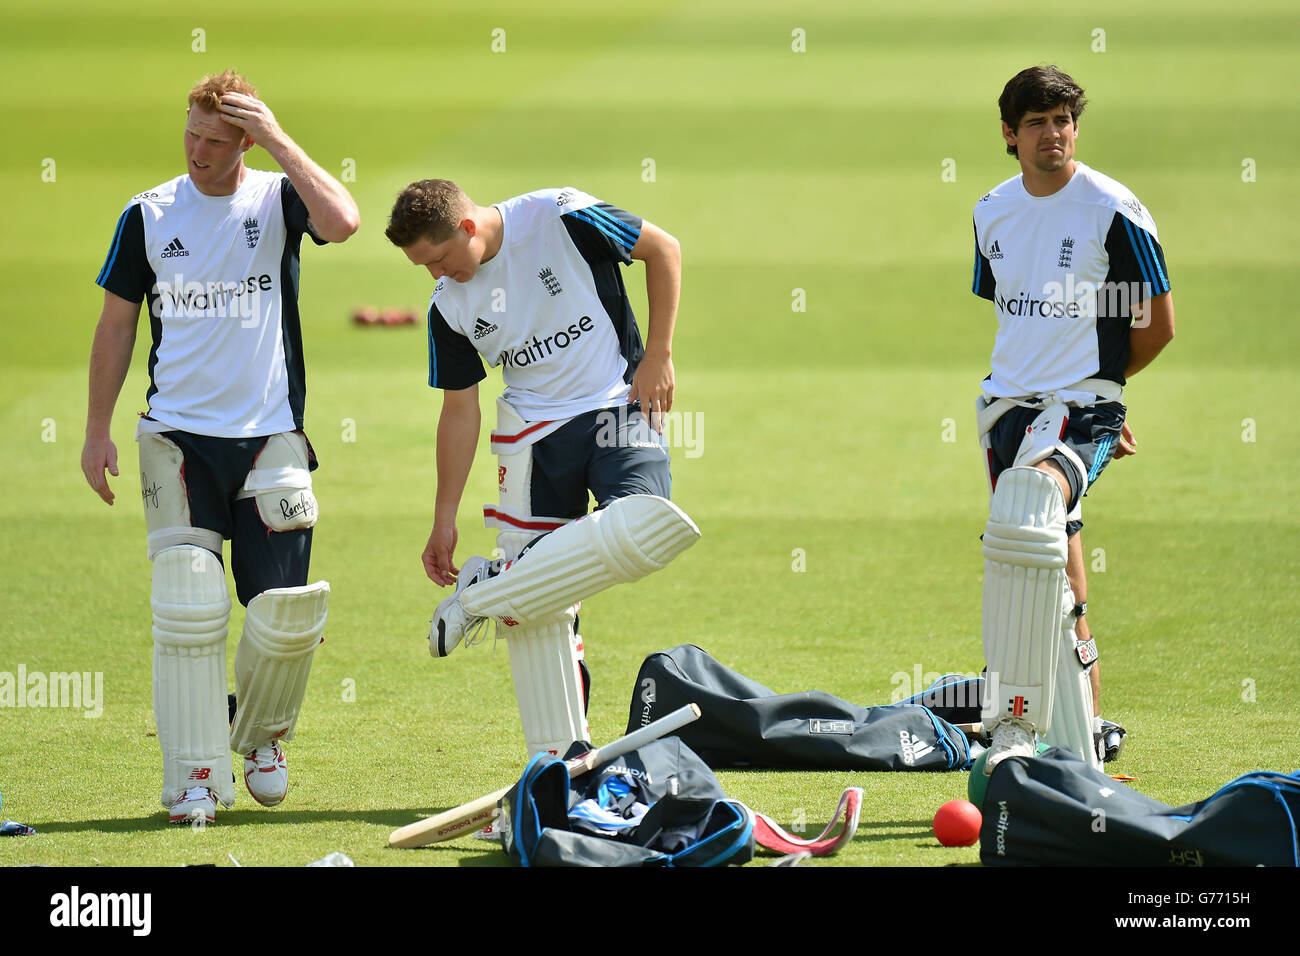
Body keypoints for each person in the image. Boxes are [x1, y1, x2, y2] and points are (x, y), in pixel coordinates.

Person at [81, 70, 359, 823]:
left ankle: (263, 736)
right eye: (191, 134)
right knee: (189, 605)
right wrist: (96, 429)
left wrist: (277, 135)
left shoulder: (275, 197)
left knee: (284, 613)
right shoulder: (148, 213)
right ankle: (194, 777)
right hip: (175, 437)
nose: (198, 151)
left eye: (215, 140)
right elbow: (116, 324)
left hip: (270, 435)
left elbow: (344, 223)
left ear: (244, 143)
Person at [385, 180, 697, 758]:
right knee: (539, 615)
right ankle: (560, 761)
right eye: (422, 267)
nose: (436, 276)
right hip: (531, 433)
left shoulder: (560, 216)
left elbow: (664, 249)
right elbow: (459, 412)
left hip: (616, 406)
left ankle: (487, 591)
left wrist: (659, 355)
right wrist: (443, 518)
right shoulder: (447, 306)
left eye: (440, 258)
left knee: (644, 525)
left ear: (468, 227)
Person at [970, 65, 1174, 771]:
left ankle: (1015, 729)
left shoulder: (1112, 207)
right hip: (1006, 410)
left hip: (1079, 406)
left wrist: (1100, 394)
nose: (1053, 134)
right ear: (1009, 134)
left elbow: (1158, 324)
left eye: (1063, 121)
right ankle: (1082, 734)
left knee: (1026, 522)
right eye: (1037, 123)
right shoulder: (990, 210)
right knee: (1055, 575)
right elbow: (1012, 310)